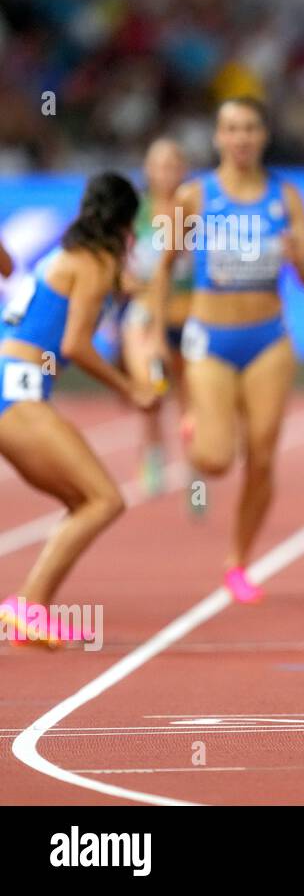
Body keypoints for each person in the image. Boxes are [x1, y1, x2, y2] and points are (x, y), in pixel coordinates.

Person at [152, 97, 304, 603]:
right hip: (209, 339)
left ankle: (239, 561)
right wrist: (158, 337)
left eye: (249, 128)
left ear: (262, 135)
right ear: (218, 138)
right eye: (231, 129)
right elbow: (163, 269)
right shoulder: (195, 196)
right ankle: (197, 431)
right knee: (218, 459)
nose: (241, 138)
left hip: (267, 338)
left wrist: (297, 253)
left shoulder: (284, 196)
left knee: (263, 457)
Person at [0, 173, 158, 646]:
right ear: (126, 222)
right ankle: (26, 606)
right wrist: (129, 388)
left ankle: (29, 608)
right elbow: (76, 344)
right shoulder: (94, 262)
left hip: (15, 384)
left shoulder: (69, 255)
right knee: (103, 499)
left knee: (82, 500)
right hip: (17, 391)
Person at [120, 138, 192, 497]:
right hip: (146, 312)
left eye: (172, 165)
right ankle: (153, 452)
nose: (165, 173)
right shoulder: (136, 213)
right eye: (158, 166)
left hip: (189, 310)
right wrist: (129, 281)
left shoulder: (194, 209)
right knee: (151, 383)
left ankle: (193, 464)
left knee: (188, 393)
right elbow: (116, 265)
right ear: (147, 170)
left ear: (183, 170)